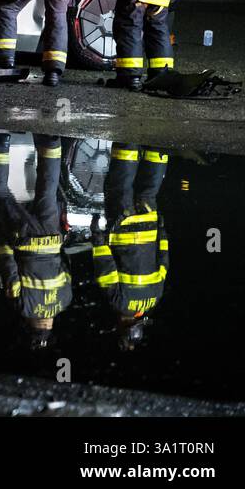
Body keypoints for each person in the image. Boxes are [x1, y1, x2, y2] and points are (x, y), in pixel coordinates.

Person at [0, 133, 74, 349]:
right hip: (26, 241)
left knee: (47, 190)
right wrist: (1, 243)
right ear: (31, 326)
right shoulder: (24, 307)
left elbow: (65, 265)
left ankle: (51, 141)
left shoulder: (65, 300)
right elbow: (9, 269)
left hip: (53, 239)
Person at [91, 144, 169, 351]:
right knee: (119, 187)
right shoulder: (119, 303)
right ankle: (128, 145)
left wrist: (161, 231)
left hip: (149, 225)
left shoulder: (155, 298)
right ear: (121, 324)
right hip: (123, 227)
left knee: (148, 191)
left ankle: (158, 148)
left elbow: (164, 261)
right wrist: (97, 240)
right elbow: (105, 269)